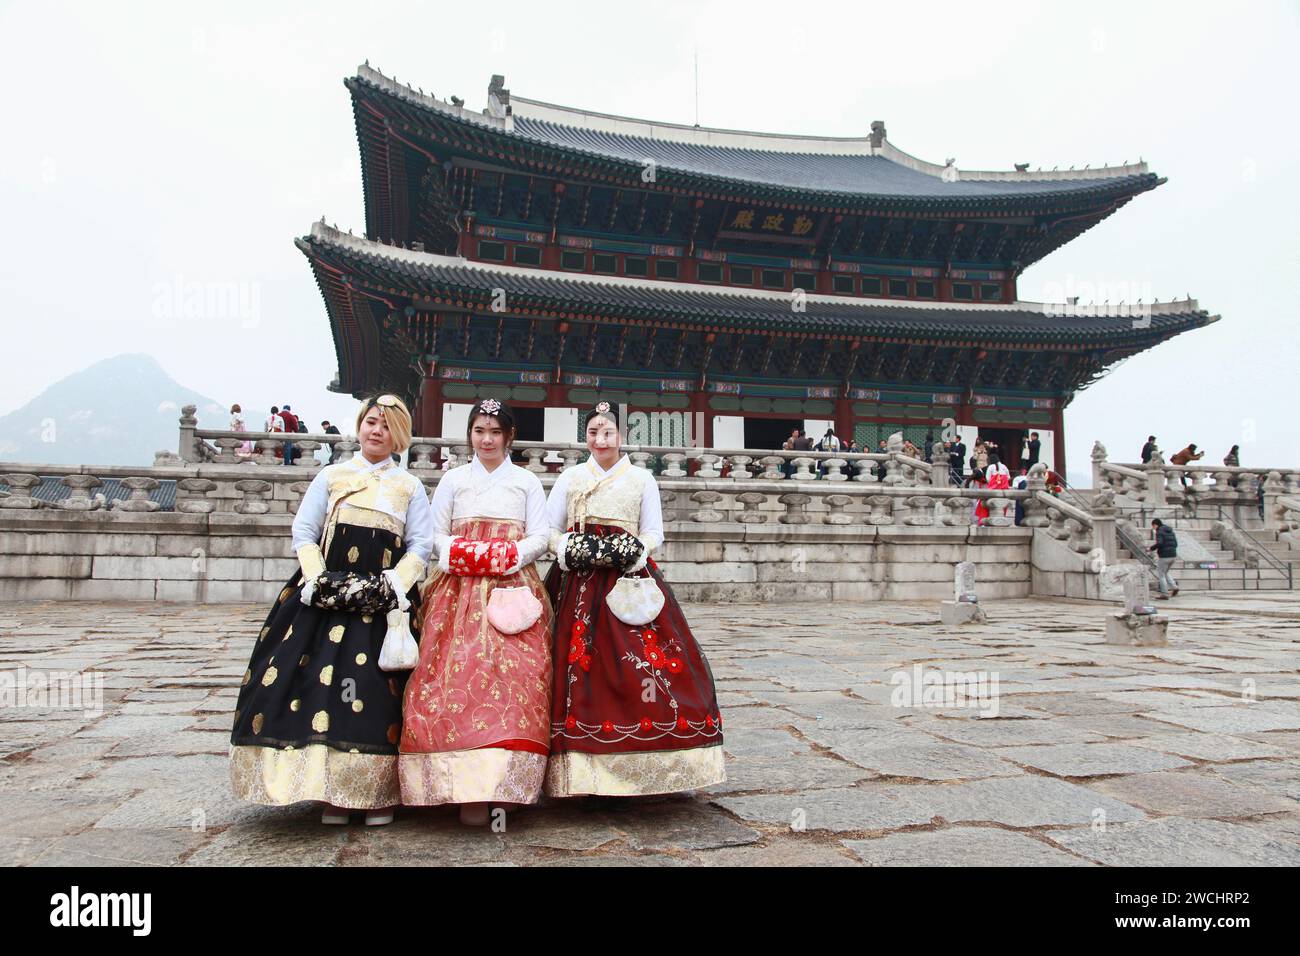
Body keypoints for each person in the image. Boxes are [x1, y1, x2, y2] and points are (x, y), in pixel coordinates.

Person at [229, 395, 431, 825]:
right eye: (370, 422)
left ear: (400, 434)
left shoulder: (409, 486)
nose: (376, 431)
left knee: (378, 690)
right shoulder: (333, 475)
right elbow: (304, 530)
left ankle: (374, 792)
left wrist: (395, 583)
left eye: (386, 425)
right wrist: (317, 579)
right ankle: (328, 790)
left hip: (382, 601)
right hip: (326, 594)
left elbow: (421, 545)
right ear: (360, 426)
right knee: (319, 684)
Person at [543, 401, 725, 796]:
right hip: (577, 582)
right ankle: (579, 771)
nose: (600, 439)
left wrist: (632, 552)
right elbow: (548, 529)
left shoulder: (641, 479)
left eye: (607, 431)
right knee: (576, 665)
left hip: (628, 577)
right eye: (593, 432)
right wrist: (570, 547)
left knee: (643, 664)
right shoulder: (571, 478)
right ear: (585, 437)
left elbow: (653, 530)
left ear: (622, 436)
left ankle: (654, 761)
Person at [400, 398, 553, 826]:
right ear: (470, 434)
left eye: (495, 432)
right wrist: (466, 555)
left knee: (515, 679)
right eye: (479, 430)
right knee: (453, 675)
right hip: (458, 593)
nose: (486, 439)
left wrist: (505, 555)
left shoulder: (525, 482)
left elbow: (540, 536)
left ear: (509, 437)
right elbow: (433, 535)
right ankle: (460, 786)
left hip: (512, 586)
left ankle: (505, 784)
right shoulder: (453, 480)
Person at [1148, 518, 1179, 598]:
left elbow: (1160, 543)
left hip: (1164, 556)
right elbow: (1175, 544)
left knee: (1161, 574)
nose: (1153, 528)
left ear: (1155, 525)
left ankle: (1164, 594)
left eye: (1153, 526)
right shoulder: (1170, 531)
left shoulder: (1159, 531)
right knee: (1165, 572)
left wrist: (1151, 548)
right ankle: (1174, 587)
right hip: (1173, 555)